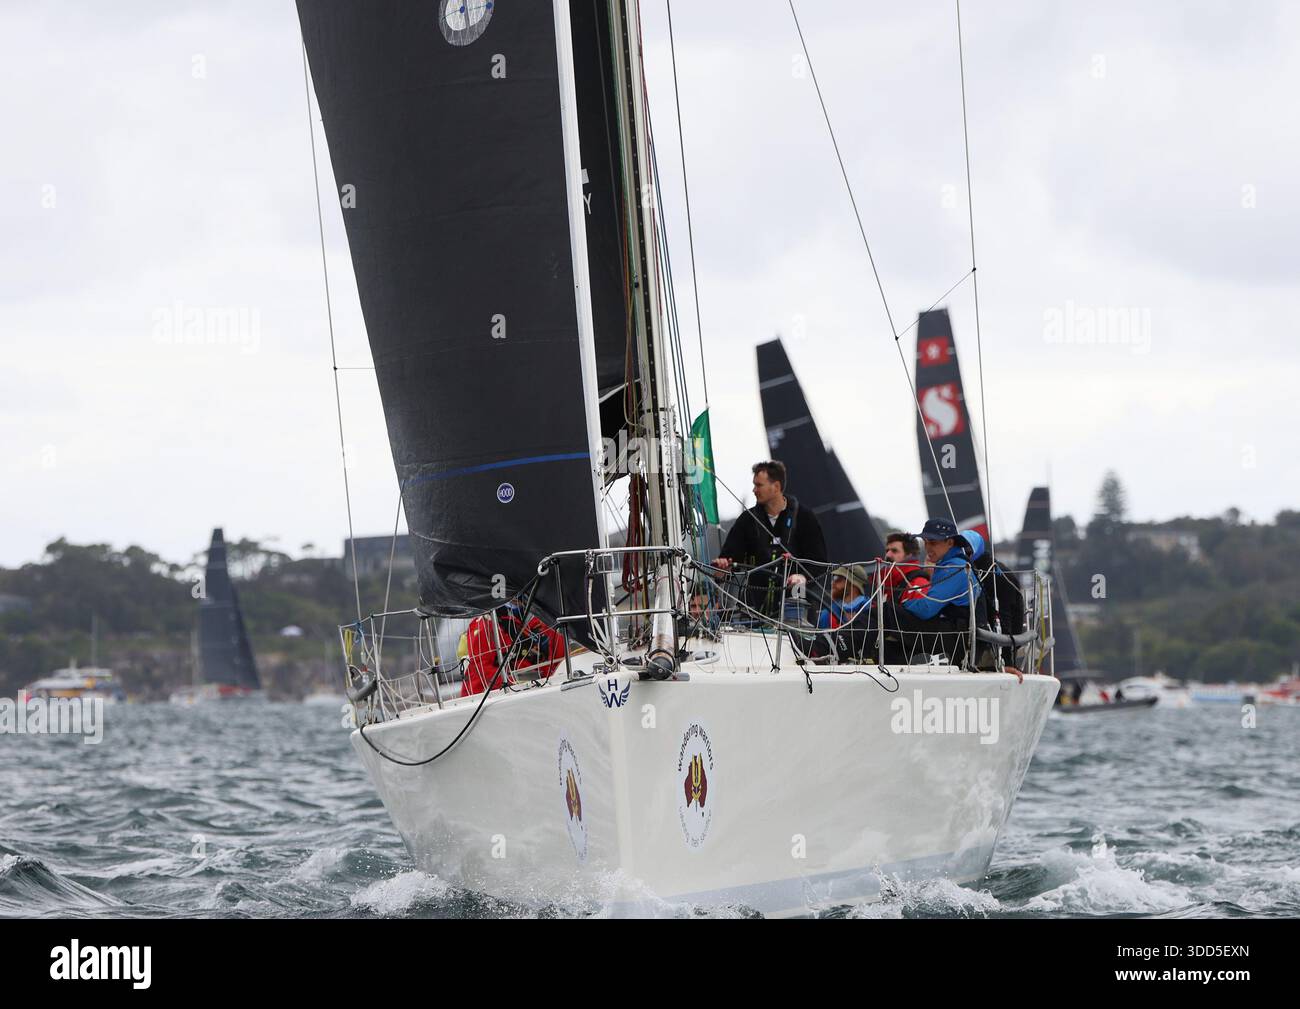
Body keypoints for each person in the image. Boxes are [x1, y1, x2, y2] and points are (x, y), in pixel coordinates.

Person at [714, 460, 828, 618]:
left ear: (776, 486)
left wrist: (802, 576)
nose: (754, 490)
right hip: (753, 615)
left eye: (759, 485)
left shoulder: (805, 518)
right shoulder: (747, 520)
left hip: (795, 614)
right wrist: (722, 568)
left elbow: (819, 562)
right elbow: (729, 560)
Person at [889, 518, 983, 663]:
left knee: (887, 611)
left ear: (950, 543)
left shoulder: (955, 568)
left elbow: (927, 608)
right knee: (888, 644)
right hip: (952, 635)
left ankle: (843, 646)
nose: (927, 548)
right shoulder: (949, 565)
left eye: (933, 542)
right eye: (925, 542)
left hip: (955, 639)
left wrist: (904, 605)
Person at [461, 602, 566, 696]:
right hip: (487, 694)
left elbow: (558, 656)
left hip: (533, 687)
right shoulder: (485, 623)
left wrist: (549, 679)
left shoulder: (543, 619)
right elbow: (482, 668)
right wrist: (515, 682)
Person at [817, 565, 869, 629]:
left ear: (853, 584)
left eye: (837, 579)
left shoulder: (871, 611)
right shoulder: (827, 615)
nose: (832, 583)